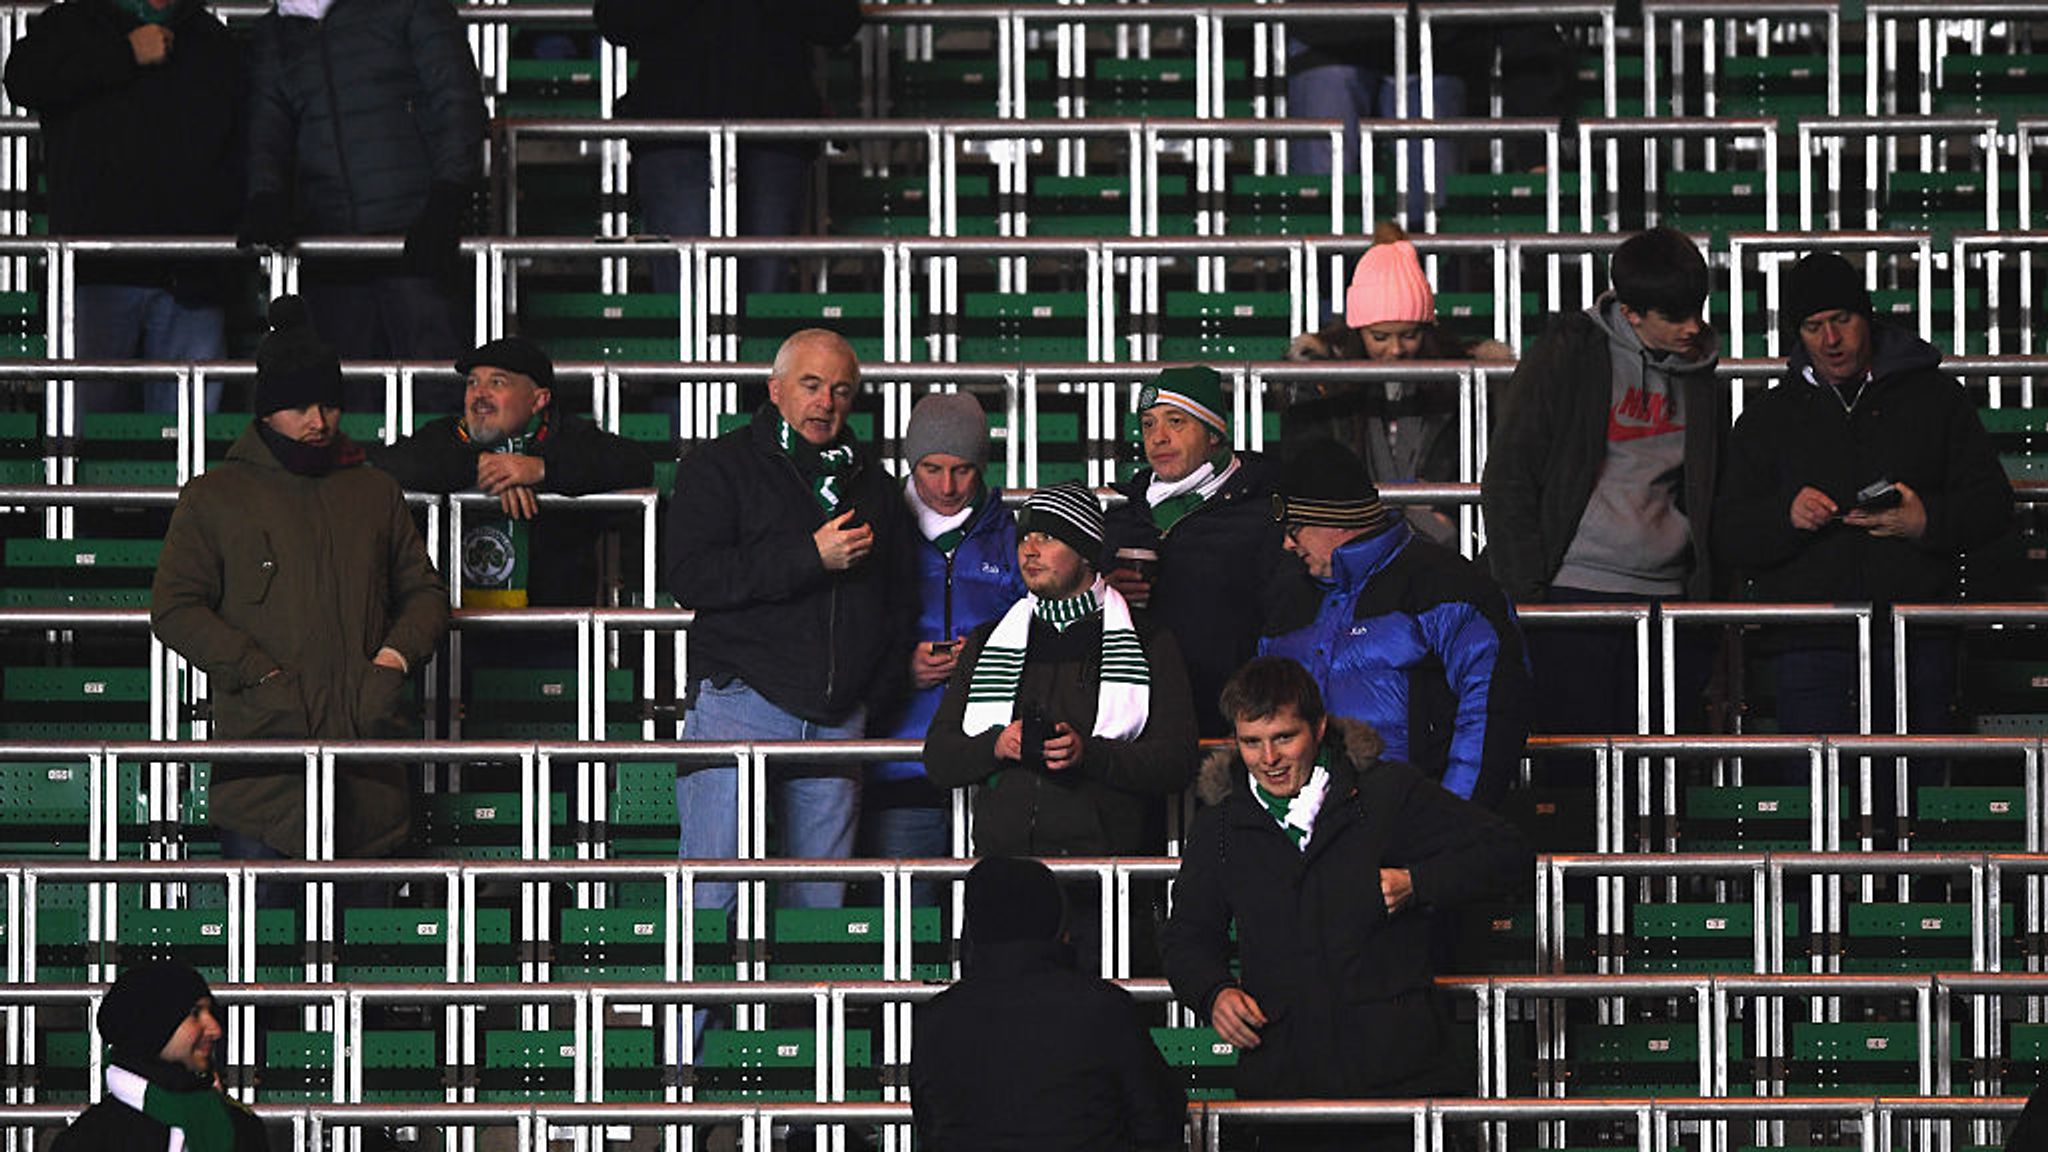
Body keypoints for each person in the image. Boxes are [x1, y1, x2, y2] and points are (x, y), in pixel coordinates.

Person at [1161, 656, 1531, 1152]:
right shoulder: (1220, 827)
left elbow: (1507, 852)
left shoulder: (1388, 793)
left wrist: (1418, 882)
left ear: (1317, 728)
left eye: (1284, 737)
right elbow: (1186, 937)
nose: (1268, 757)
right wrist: (1213, 993)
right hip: (1283, 1088)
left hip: (1396, 1083)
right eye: (1251, 742)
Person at [151, 296, 449, 875]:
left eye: (330, 405)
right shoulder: (214, 496)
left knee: (369, 958)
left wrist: (393, 659)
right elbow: (174, 606)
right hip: (264, 771)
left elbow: (426, 593)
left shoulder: (374, 490)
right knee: (260, 957)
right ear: (266, 411)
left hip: (367, 766)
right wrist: (255, 671)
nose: (319, 421)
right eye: (300, 407)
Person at [1713, 251, 2013, 746]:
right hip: (1808, 639)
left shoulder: (1938, 399)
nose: (1830, 341)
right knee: (1817, 804)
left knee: (1911, 799)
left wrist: (1925, 521)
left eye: (1841, 320)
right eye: (1812, 326)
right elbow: (1728, 531)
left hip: (1915, 635)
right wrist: (1785, 517)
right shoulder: (1767, 418)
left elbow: (1992, 506)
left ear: (1866, 316)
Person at [662, 328, 915, 915]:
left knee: (819, 907)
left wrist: (863, 698)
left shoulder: (873, 485)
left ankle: (804, 1014)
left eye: (841, 390)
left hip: (836, 719)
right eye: (811, 385)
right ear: (775, 389)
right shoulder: (718, 466)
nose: (826, 402)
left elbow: (899, 603)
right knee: (710, 895)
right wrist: (810, 556)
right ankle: (694, 1013)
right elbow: (692, 577)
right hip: (739, 698)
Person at [926, 481, 1198, 971]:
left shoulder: (1149, 640)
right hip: (1004, 879)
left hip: (1101, 885)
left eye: (1049, 538)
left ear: (1087, 552)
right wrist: (998, 746)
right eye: (1025, 538)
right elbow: (940, 757)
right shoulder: (991, 640)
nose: (1030, 550)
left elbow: (1176, 762)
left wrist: (1087, 754)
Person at [1481, 225, 1725, 736]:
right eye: (1675, 317)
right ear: (1632, 313)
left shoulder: (1700, 371)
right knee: (1574, 766)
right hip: (1573, 588)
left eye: (1697, 311)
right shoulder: (1568, 352)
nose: (1692, 327)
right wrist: (1528, 593)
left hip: (1669, 595)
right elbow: (1510, 474)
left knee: (1660, 769)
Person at [237, 0, 487, 407]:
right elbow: (268, 125)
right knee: (345, 402)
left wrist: (448, 196)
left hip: (415, 236)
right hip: (329, 244)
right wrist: (266, 195)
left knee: (436, 393)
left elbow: (456, 101)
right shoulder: (276, 31)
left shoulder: (409, 6)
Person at [1262, 439, 1529, 809]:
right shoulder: (1285, 599)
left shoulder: (1449, 587)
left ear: (1336, 521)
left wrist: (1449, 826)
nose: (1287, 545)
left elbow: (1492, 717)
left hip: (1411, 831)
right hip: (1305, 836)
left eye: (1295, 528)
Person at [3, 0, 242, 413]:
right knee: (78, 442)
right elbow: (23, 80)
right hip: (97, 271)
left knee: (190, 442)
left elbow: (245, 148)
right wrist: (124, 53)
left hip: (192, 277)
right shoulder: (73, 21)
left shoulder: (211, 40)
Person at [863, 392, 1025, 905]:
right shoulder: (875, 530)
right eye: (932, 468)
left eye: (962, 470)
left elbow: (1037, 632)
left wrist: (984, 661)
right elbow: (841, 635)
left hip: (993, 764)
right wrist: (899, 667)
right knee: (908, 924)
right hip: (902, 762)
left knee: (995, 922)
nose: (947, 486)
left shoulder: (1014, 539)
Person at [911, 855, 1188, 1152]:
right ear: (1058, 922)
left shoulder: (936, 1021)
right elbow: (1159, 1118)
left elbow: (930, 1125)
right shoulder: (1106, 1009)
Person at [594, 0, 862, 297]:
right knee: (686, 288)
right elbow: (615, 18)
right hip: (677, 127)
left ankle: (759, 343)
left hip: (771, 127)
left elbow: (840, 21)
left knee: (763, 289)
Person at [368, 335, 655, 612]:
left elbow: (636, 465)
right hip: (455, 630)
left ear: (539, 400)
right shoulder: (446, 435)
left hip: (553, 632)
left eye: (497, 382)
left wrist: (541, 469)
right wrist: (480, 467)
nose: (480, 393)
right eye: (472, 383)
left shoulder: (567, 435)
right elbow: (384, 465)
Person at [1286, 221, 1516, 547]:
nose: (1395, 349)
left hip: (1443, 538)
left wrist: (1445, 516)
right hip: (1351, 536)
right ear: (1357, 332)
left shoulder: (1464, 380)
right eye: (1380, 337)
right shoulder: (1321, 382)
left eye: (1409, 334)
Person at [1103, 364, 1287, 738]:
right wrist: (1103, 594)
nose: (1158, 438)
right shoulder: (1120, 522)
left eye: (1176, 421)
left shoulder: (1263, 514)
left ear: (1214, 433)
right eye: (1149, 424)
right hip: (1138, 726)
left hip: (1231, 724)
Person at [52, 961, 270, 1152]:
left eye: (210, 1012)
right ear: (154, 1028)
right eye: (195, 1013)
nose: (215, 1029)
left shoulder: (240, 1128)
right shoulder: (92, 1140)